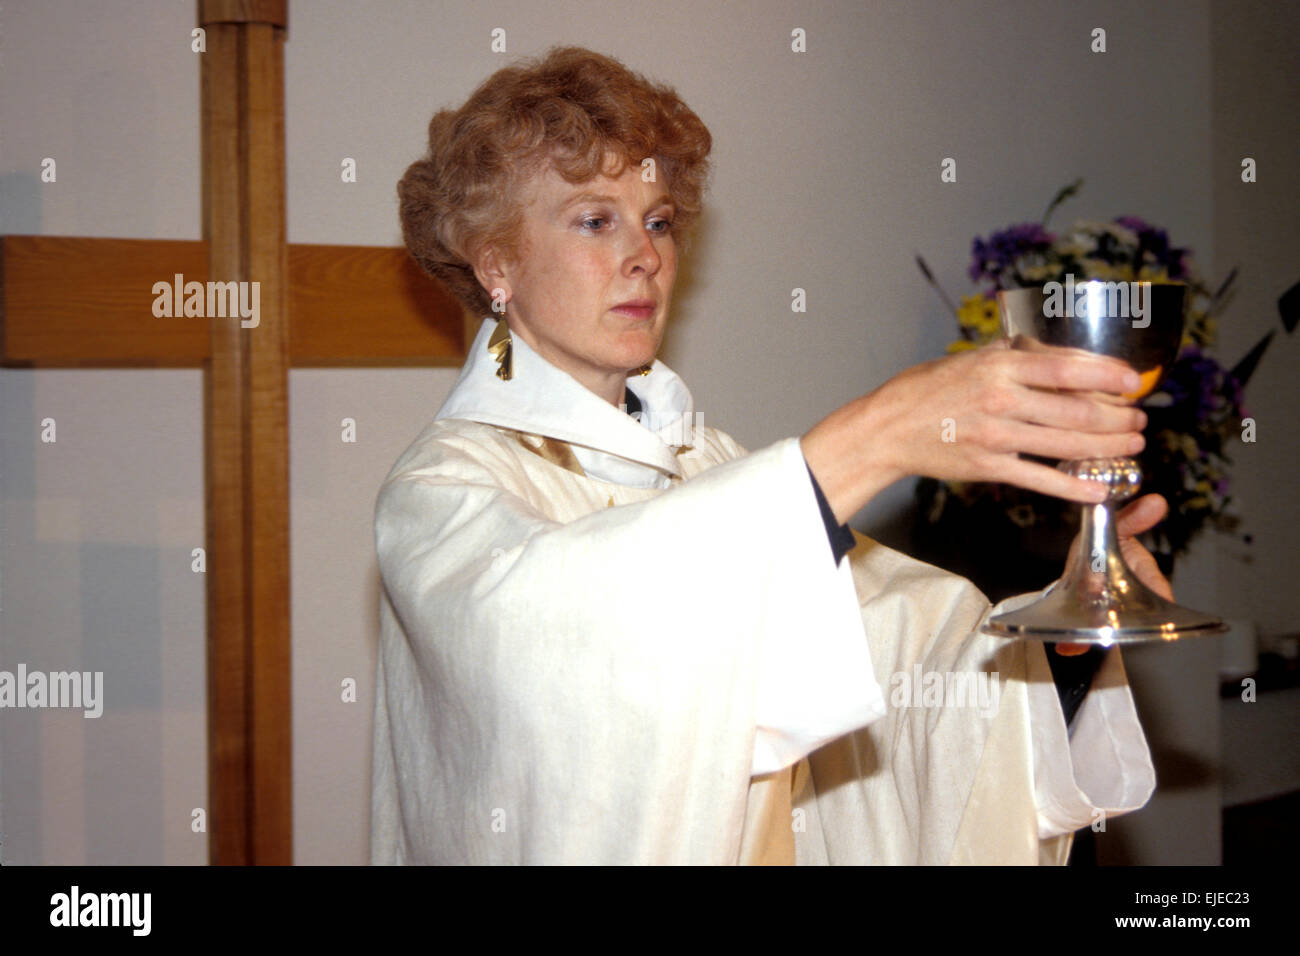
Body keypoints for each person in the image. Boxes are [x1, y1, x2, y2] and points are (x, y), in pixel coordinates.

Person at [369, 45, 1162, 865]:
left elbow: (905, 660)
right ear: (496, 263)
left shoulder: (703, 461)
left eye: (660, 220)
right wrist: (883, 431)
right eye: (595, 219)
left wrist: (1064, 647)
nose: (645, 253)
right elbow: (570, 663)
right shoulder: (443, 495)